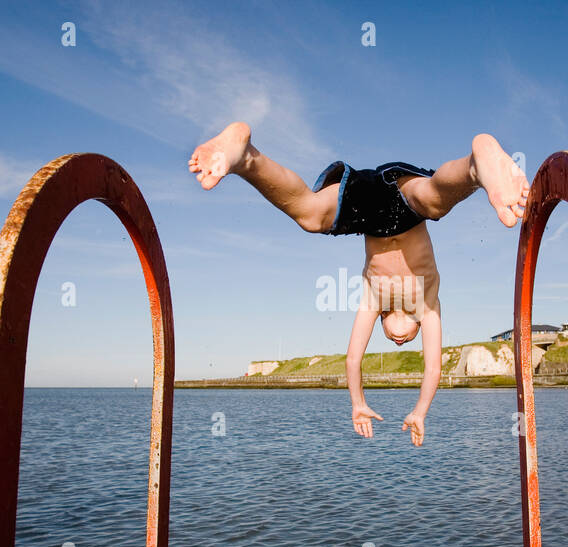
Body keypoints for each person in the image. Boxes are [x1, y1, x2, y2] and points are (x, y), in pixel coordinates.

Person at [189, 122, 528, 446]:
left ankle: (246, 158)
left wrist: (358, 403)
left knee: (309, 213)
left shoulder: (372, 299)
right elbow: (434, 367)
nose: (398, 343)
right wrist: (420, 412)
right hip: (405, 199)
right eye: (408, 341)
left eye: (395, 342)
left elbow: (353, 360)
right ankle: (475, 166)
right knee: (433, 199)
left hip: (364, 210)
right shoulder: (428, 305)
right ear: (417, 329)